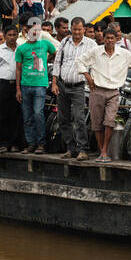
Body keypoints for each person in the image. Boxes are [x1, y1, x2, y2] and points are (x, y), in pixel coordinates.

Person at [79, 23, 131, 163]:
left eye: (112, 38)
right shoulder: (96, 51)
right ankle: (101, 150)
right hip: (97, 90)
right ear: (103, 39)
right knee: (97, 123)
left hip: (114, 92)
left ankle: (104, 150)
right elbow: (80, 61)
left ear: (116, 39)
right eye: (107, 38)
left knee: (109, 121)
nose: (109, 40)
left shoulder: (123, 53)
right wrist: (87, 77)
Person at [53, 16, 96, 159]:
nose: (77, 32)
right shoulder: (65, 42)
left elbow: (96, 64)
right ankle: (71, 148)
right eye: (74, 29)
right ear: (71, 29)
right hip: (62, 85)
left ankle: (82, 149)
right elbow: (57, 63)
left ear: (84, 29)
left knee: (79, 118)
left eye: (80, 29)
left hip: (79, 87)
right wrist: (54, 83)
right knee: (63, 118)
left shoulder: (91, 44)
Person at [14, 19, 56, 153]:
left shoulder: (45, 44)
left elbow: (55, 54)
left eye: (38, 31)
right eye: (33, 30)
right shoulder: (21, 48)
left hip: (40, 85)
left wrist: (47, 61)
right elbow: (18, 69)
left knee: (38, 114)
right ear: (27, 31)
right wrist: (18, 89)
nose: (35, 33)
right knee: (27, 116)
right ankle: (31, 144)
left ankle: (41, 144)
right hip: (25, 85)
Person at [0, 25, 24, 151]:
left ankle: (15, 143)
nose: (12, 37)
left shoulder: (21, 49)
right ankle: (3, 144)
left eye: (14, 35)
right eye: (9, 35)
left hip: (17, 85)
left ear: (17, 35)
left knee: (16, 115)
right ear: (5, 36)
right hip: (2, 85)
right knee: (2, 116)